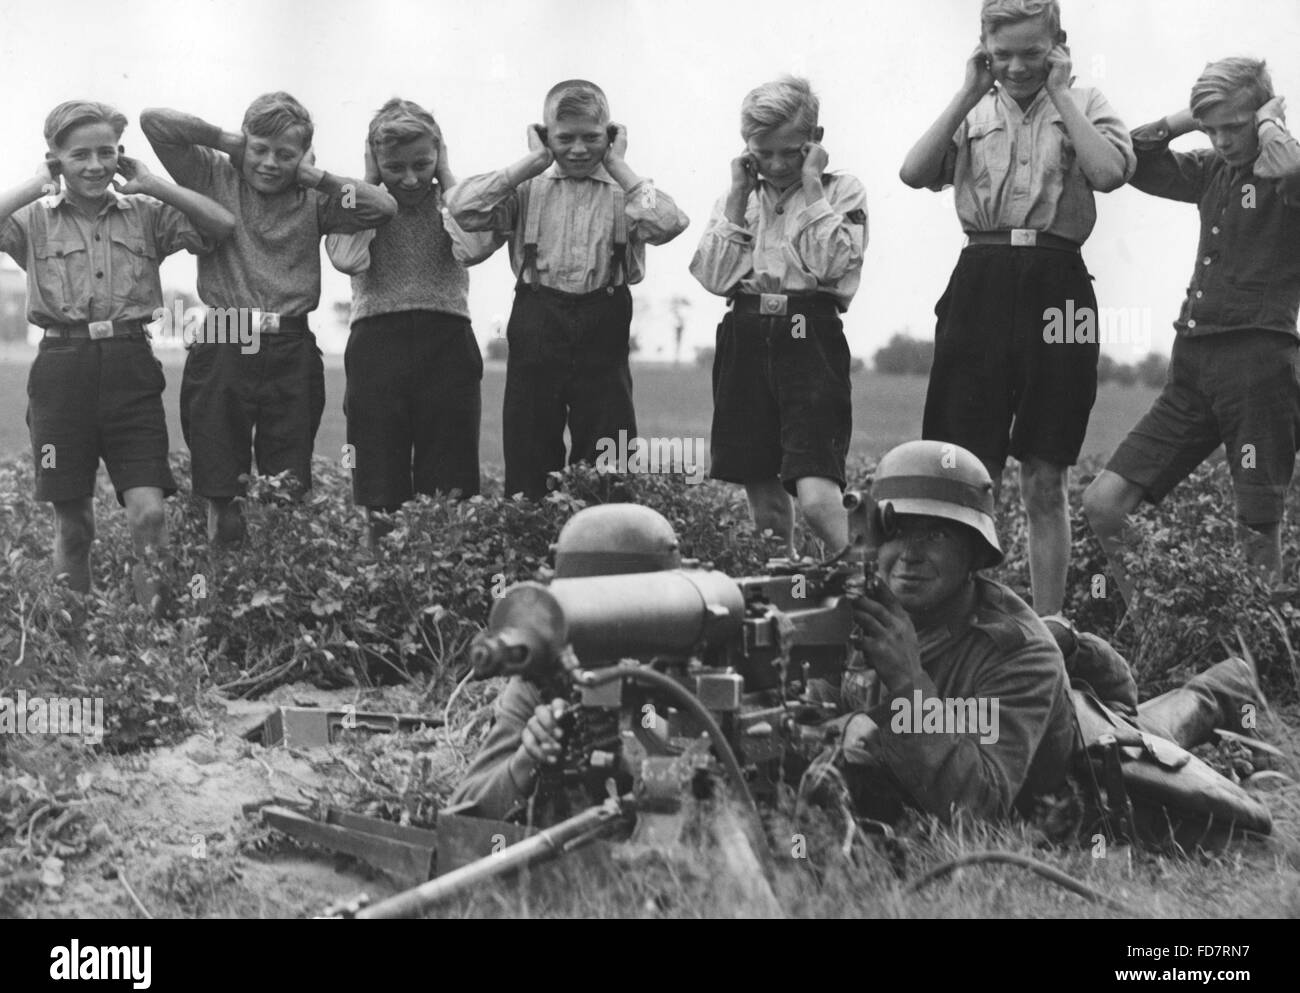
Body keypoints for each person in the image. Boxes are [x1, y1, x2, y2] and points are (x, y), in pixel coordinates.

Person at [450, 442, 1080, 826]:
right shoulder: (838, 612)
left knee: (1159, 733)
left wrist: (908, 684)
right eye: (897, 534)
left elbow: (980, 809)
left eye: (937, 535)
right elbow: (470, 808)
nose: (909, 556)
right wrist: (532, 760)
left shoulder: (1018, 654)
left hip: (1061, 767)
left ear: (976, 551)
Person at [899, 0, 1134, 628]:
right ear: (983, 48)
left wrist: (1060, 96)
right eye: (1002, 54)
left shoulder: (1087, 102)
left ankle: (1049, 625)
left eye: (1033, 52)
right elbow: (914, 172)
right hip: (981, 279)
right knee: (963, 466)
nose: (1017, 66)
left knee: (1044, 466)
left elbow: (1110, 174)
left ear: (1058, 43)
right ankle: (961, 621)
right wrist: (968, 88)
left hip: (1058, 285)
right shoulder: (974, 106)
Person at [1082, 57, 1300, 609]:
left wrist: (1271, 124)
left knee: (1257, 527)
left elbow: (1286, 169)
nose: (1225, 140)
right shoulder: (1211, 170)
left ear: (1265, 116)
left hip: (1259, 370)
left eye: (1236, 126)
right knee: (1104, 502)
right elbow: (1131, 158)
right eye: (1215, 129)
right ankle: (1164, 629)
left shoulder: (1287, 173)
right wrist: (1191, 118)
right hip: (1193, 368)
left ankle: (1260, 659)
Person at [0, 101, 235, 612]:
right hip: (62, 370)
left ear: (121, 156)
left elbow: (221, 226)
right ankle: (76, 643)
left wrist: (153, 183)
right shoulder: (33, 222)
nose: (94, 166)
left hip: (132, 367)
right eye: (78, 155)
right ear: (55, 159)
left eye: (106, 152)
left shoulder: (147, 215)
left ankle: (152, 643)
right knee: (75, 523)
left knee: (149, 514)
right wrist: (35, 181)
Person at [139, 94, 397, 545]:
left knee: (286, 487)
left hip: (290, 339)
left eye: (285, 154)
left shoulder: (316, 197)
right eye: (260, 149)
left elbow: (381, 207)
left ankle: (278, 595)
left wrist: (317, 176)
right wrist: (227, 142)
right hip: (225, 330)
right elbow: (154, 122)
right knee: (222, 488)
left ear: (301, 158)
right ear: (244, 144)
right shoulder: (213, 172)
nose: (270, 163)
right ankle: (226, 590)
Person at [444, 79, 689, 498]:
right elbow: (462, 206)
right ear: (545, 136)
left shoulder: (626, 191)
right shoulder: (526, 187)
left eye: (592, 138)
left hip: (605, 320)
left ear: (611, 136)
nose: (578, 149)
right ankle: (531, 544)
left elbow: (670, 221)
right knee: (529, 445)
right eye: (564, 138)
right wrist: (532, 160)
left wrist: (621, 166)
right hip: (538, 318)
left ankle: (605, 543)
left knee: (610, 452)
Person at [690, 76, 867, 556]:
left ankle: (864, 587)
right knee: (764, 501)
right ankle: (788, 602)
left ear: (815, 142)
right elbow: (713, 276)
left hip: (808, 332)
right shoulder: (739, 198)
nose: (774, 164)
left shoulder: (840, 192)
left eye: (789, 152)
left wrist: (811, 186)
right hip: (745, 333)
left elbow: (832, 264)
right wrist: (735, 194)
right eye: (760, 153)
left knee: (816, 494)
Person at [325, 99, 494, 550]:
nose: (412, 178)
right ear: (375, 161)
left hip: (448, 343)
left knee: (451, 485)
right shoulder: (358, 203)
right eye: (394, 166)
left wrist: (451, 182)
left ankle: (443, 583)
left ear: (440, 155)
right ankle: (386, 588)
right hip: (377, 346)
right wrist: (371, 187)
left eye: (423, 163)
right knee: (379, 485)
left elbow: (476, 247)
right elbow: (344, 257)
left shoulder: (452, 202)